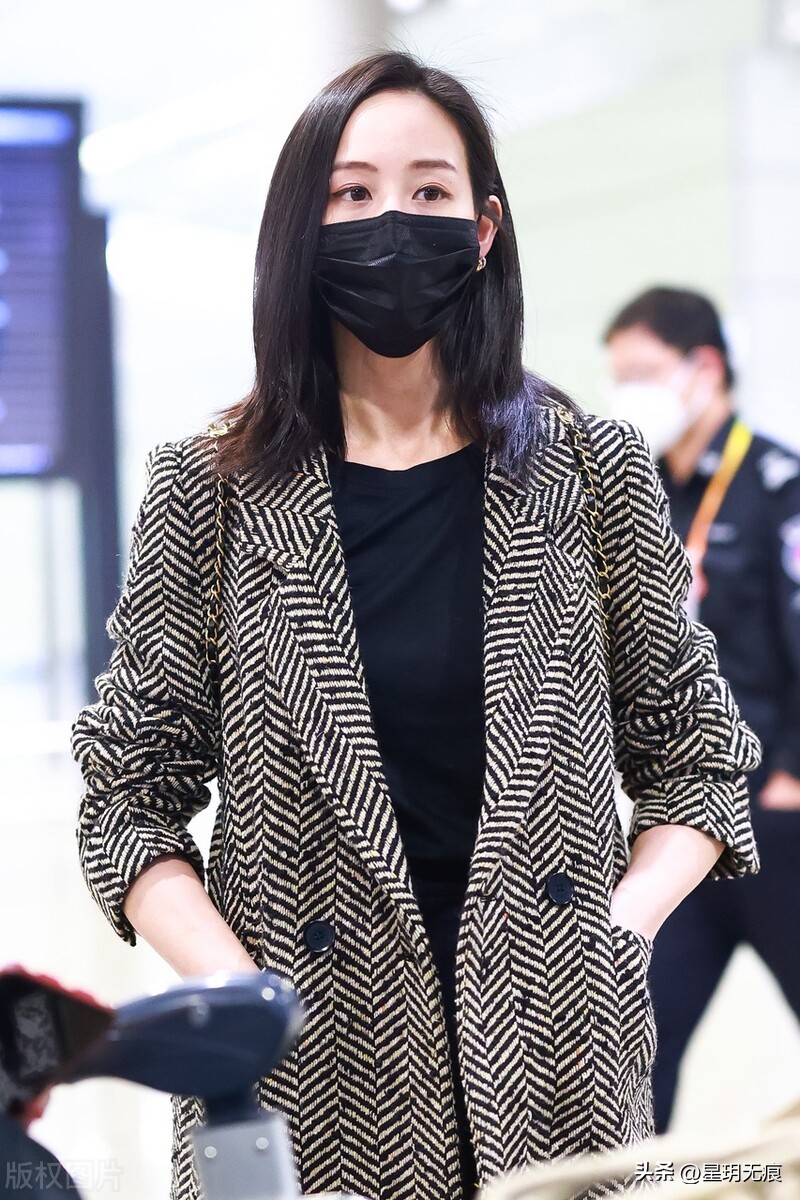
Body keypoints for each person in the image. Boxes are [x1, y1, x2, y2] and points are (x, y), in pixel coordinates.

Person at [72, 55, 761, 1200]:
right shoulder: (210, 486)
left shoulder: (590, 470)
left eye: (430, 191)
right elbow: (128, 791)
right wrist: (241, 996)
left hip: (555, 1051)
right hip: (302, 1061)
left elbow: (696, 755)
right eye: (350, 194)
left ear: (483, 227)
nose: (393, 222)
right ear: (299, 228)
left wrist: (614, 934)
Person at [603, 285, 800, 1133]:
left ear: (704, 369)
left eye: (642, 372)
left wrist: (791, 774)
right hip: (684, 828)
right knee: (636, 1042)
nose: (628, 394)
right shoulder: (640, 496)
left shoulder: (776, 485)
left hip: (780, 813)